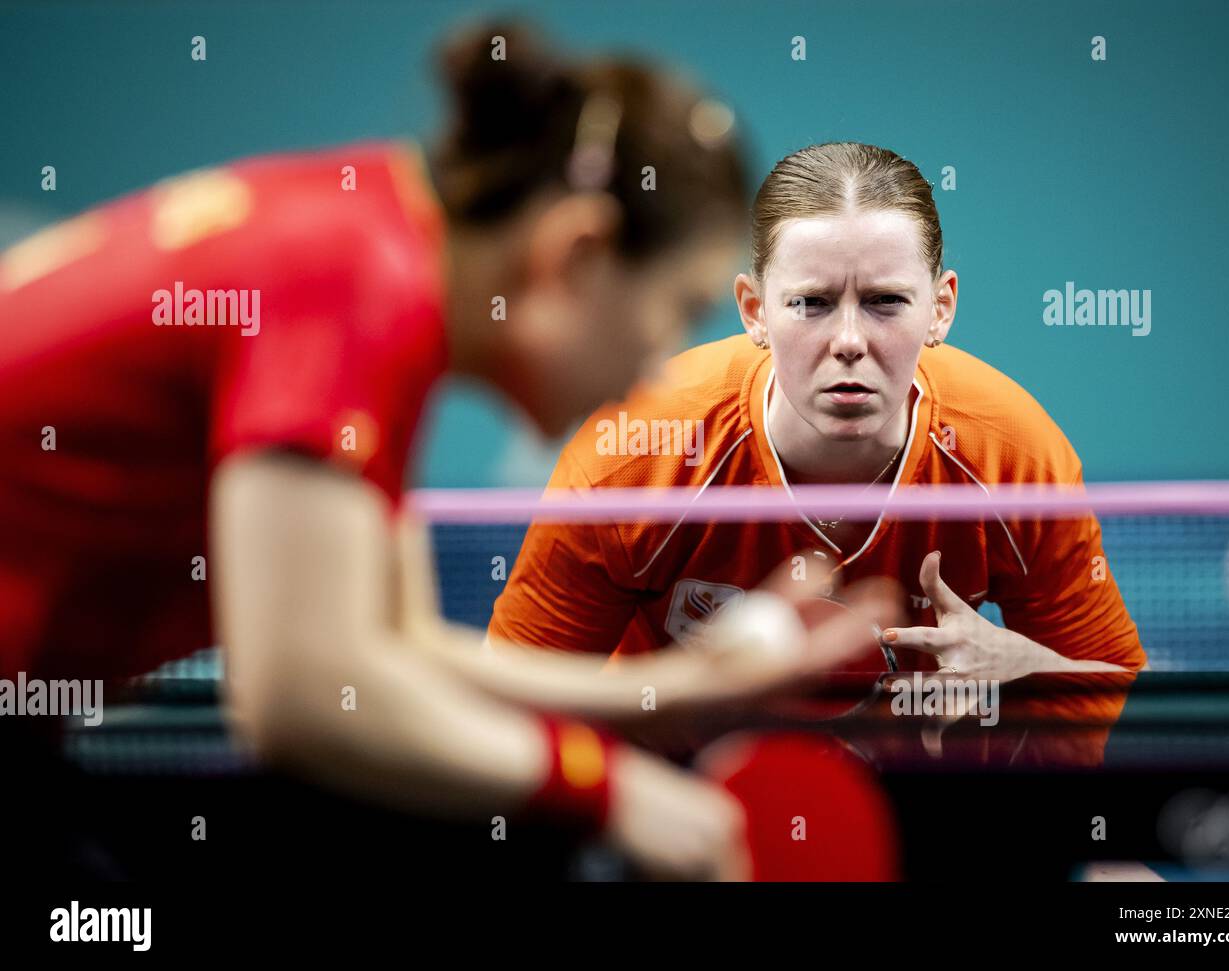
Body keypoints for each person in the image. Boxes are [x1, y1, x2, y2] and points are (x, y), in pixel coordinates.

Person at [0, 27, 900, 879]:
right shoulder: (356, 279)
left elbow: (392, 647)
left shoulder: (370, 234)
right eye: (674, 308)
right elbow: (306, 695)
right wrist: (607, 787)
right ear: (577, 251)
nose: (651, 371)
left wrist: (676, 687)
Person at [489, 142, 1146, 758]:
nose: (850, 340)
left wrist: (1033, 679)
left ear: (941, 308)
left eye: (887, 301)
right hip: (670, 796)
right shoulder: (633, 459)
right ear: (754, 310)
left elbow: (1125, 706)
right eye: (811, 303)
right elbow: (512, 705)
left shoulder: (1015, 458)